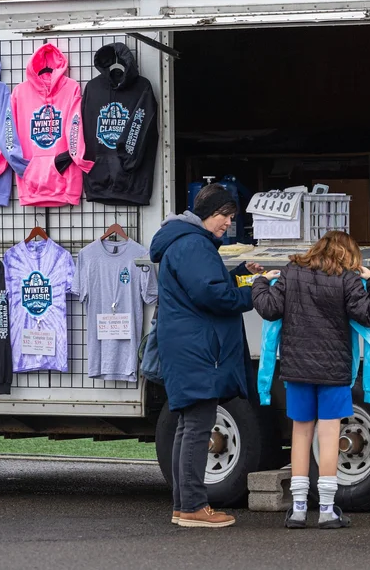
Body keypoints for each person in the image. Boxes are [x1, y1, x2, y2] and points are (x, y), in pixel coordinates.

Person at [251, 231, 370, 529]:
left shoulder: (291, 272)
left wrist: (260, 281)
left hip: (296, 370)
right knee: (328, 437)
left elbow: (269, 308)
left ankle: (298, 509)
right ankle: (327, 509)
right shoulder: (348, 279)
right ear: (348, 253)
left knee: (300, 434)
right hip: (334, 371)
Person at [149, 183, 262, 529]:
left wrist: (241, 275)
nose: (229, 223)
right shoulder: (194, 245)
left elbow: (210, 286)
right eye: (226, 216)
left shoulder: (182, 241)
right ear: (209, 214)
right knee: (197, 427)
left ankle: (184, 506)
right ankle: (195, 507)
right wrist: (255, 292)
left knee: (189, 426)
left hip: (185, 346)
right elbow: (216, 297)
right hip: (198, 349)